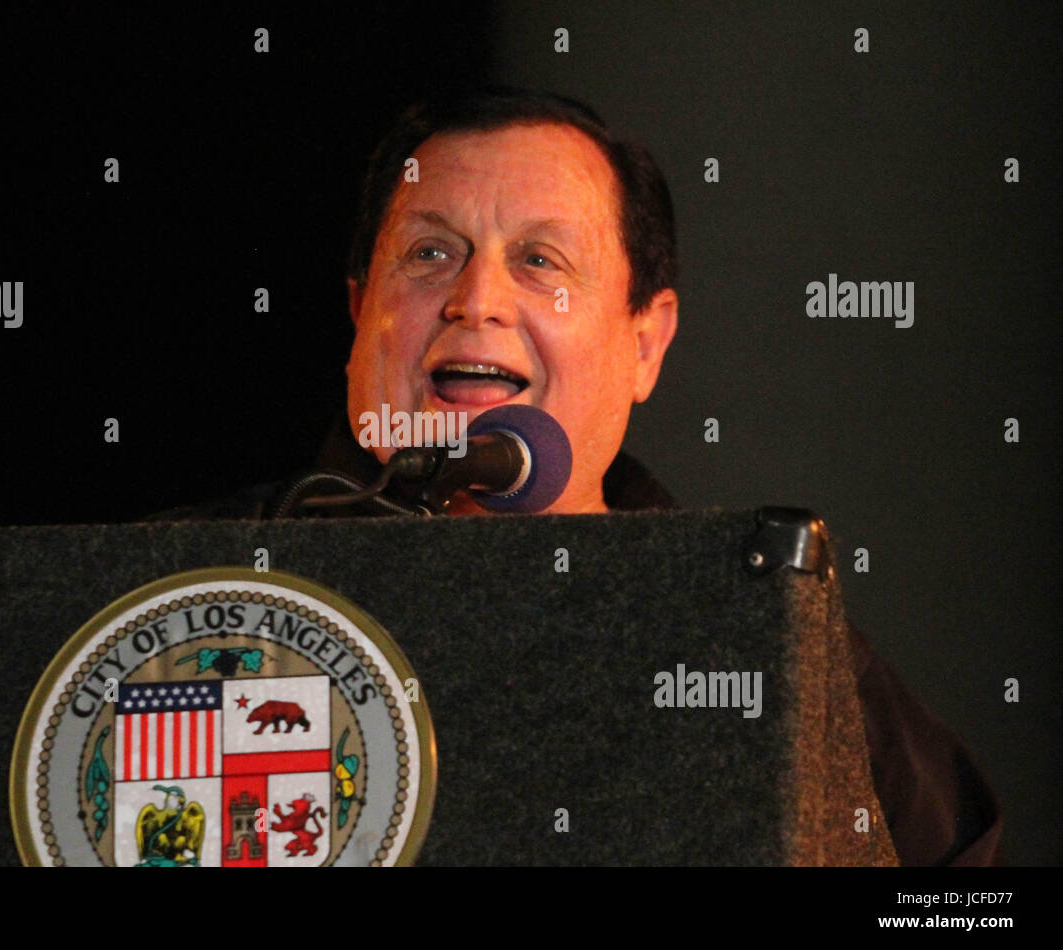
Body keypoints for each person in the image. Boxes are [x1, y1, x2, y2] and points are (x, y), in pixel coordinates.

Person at [153, 86, 1003, 865]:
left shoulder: (759, 621)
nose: (474, 299)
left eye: (540, 262)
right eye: (429, 254)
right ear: (357, 310)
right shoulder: (179, 588)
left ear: (644, 343)